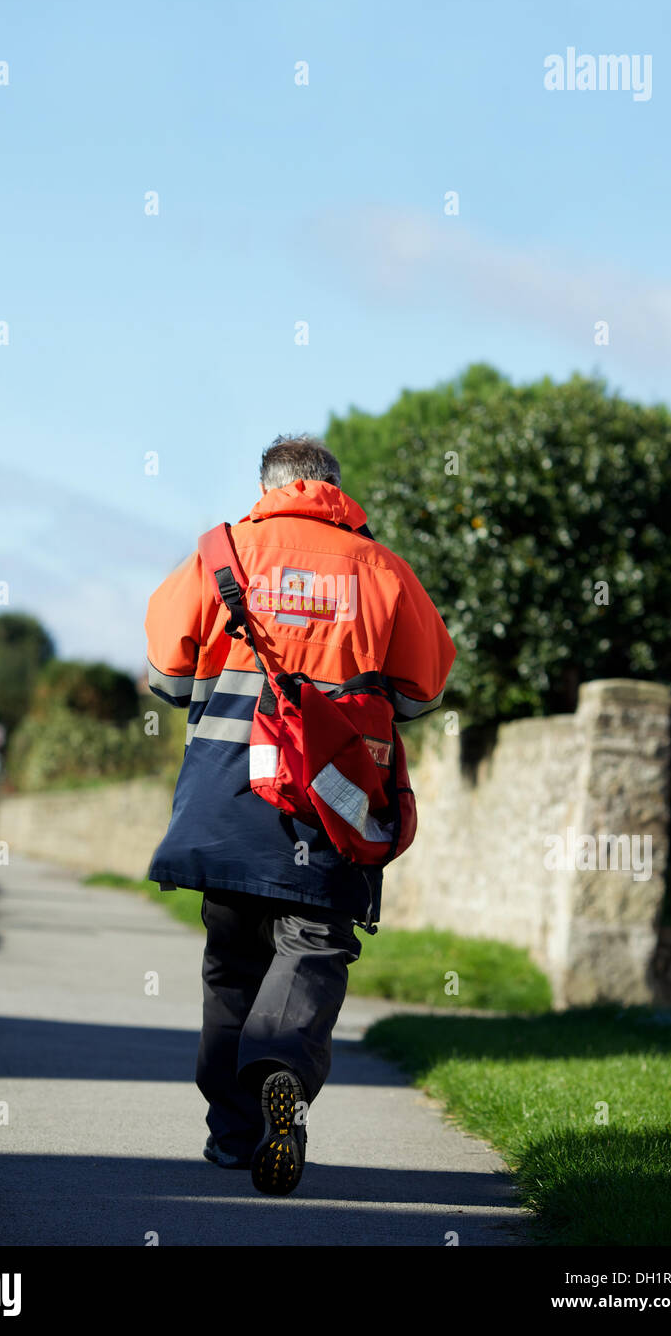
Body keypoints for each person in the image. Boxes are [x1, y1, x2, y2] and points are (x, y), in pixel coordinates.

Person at [144, 434, 455, 1195]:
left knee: (231, 968)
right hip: (329, 802)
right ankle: (281, 1068)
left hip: (227, 799)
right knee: (312, 944)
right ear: (333, 488)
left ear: (267, 486)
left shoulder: (221, 553)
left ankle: (232, 1136)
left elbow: (165, 675)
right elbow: (422, 693)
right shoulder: (383, 570)